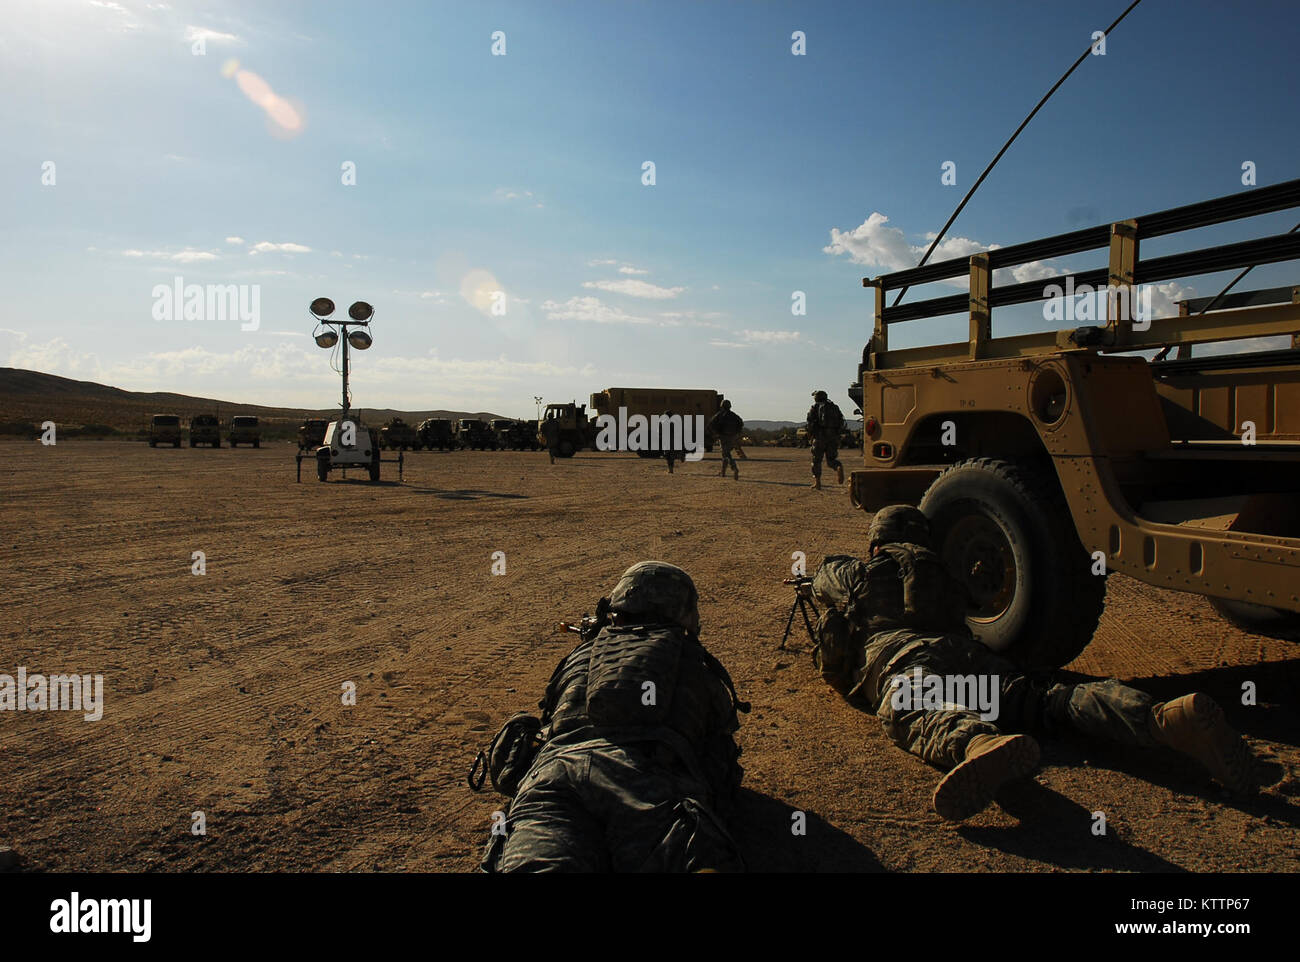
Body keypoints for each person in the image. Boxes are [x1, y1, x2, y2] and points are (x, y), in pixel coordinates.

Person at [810, 505, 1258, 821]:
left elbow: (822, 583)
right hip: (972, 661)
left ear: (876, 540)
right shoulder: (947, 574)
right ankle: (1159, 717)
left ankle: (975, 745)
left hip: (905, 657)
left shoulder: (858, 572)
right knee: (1045, 700)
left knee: (915, 705)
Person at [478, 561, 750, 871]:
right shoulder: (694, 666)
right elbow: (721, 761)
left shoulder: (579, 658)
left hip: (556, 778)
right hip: (648, 786)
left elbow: (548, 720)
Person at [806, 389, 845, 490]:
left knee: (816, 460)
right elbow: (841, 421)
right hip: (833, 436)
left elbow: (810, 422)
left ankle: (817, 483)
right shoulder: (834, 407)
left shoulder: (815, 407)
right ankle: (838, 467)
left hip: (819, 437)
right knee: (831, 460)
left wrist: (810, 435)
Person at [708, 399, 743, 480]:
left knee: (726, 454)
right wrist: (737, 433)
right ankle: (723, 472)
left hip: (723, 436)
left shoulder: (720, 415)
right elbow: (741, 423)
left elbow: (711, 424)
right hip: (732, 437)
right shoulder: (734, 415)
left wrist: (715, 433)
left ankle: (734, 468)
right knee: (725, 453)